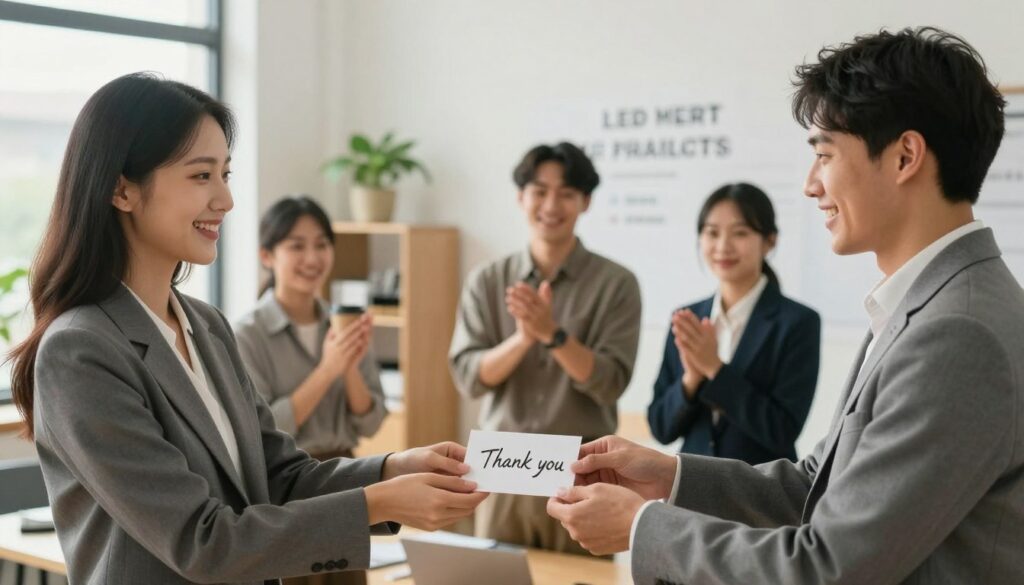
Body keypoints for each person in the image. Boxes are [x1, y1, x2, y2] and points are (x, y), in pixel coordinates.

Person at [547, 27, 1024, 585]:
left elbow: (831, 567)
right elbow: (815, 486)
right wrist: (670, 476)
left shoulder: (958, 333)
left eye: (824, 155)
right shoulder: (929, 303)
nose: (809, 185)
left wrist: (643, 526)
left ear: (905, 157)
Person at [7, 73, 487, 585]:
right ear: (122, 189)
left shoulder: (206, 326)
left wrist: (394, 469)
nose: (226, 200)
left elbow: (278, 476)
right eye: (200, 176)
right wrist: (379, 501)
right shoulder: (80, 350)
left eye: (226, 175)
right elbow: (202, 541)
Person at [448, 142, 641, 554]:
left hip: (579, 474)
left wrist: (552, 334)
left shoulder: (617, 283)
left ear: (585, 202)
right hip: (500, 472)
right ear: (521, 197)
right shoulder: (487, 280)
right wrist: (523, 338)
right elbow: (468, 377)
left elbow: (610, 384)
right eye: (539, 191)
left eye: (567, 193)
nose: (551, 204)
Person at [647, 183, 820, 464]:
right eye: (712, 233)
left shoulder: (798, 322)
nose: (723, 246)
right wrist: (691, 379)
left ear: (770, 241)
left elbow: (782, 431)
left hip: (760, 493)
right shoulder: (686, 318)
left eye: (740, 233)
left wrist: (714, 368)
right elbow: (660, 427)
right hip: (689, 491)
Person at [234, 196, 386, 462]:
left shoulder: (345, 324)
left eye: (322, 245)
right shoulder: (247, 335)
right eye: (297, 246)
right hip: (285, 480)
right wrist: (328, 370)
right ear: (266, 256)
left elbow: (370, 425)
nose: (312, 258)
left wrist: (348, 366)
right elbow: (261, 430)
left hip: (347, 470)